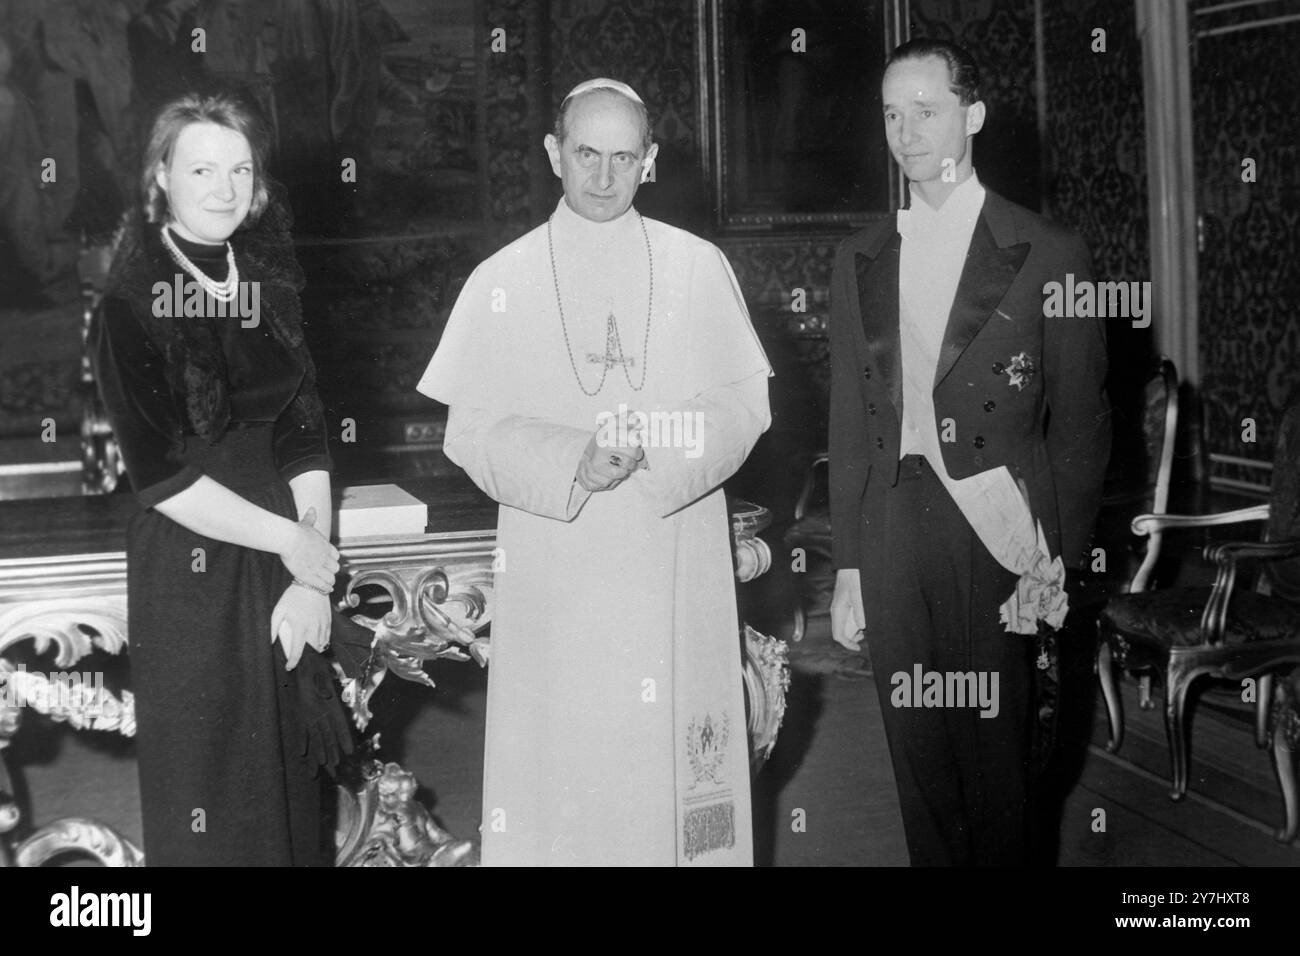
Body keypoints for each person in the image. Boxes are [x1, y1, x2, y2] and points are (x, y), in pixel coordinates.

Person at [418, 78, 772, 866]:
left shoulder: (698, 267)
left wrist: (658, 443)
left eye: (623, 158)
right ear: (553, 154)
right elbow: (470, 431)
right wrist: (573, 457)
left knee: (673, 778)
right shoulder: (502, 279)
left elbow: (742, 407)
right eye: (586, 155)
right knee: (566, 777)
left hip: (671, 548)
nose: (604, 179)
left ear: (650, 161)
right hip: (557, 560)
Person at [828, 39, 1110, 866]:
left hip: (999, 530)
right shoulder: (859, 258)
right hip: (893, 530)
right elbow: (849, 422)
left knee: (1002, 764)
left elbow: (1085, 427)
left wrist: (1052, 562)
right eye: (891, 113)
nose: (906, 131)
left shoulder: (1052, 253)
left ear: (973, 115)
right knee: (916, 758)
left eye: (927, 110)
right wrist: (849, 565)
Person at [91, 90, 354, 866]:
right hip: (193, 563)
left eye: (240, 169)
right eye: (202, 167)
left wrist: (309, 578)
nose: (224, 187)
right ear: (160, 179)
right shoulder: (128, 305)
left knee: (289, 789)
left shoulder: (270, 288)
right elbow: (162, 476)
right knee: (214, 791)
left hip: (283, 552)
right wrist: (293, 547)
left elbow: (306, 436)